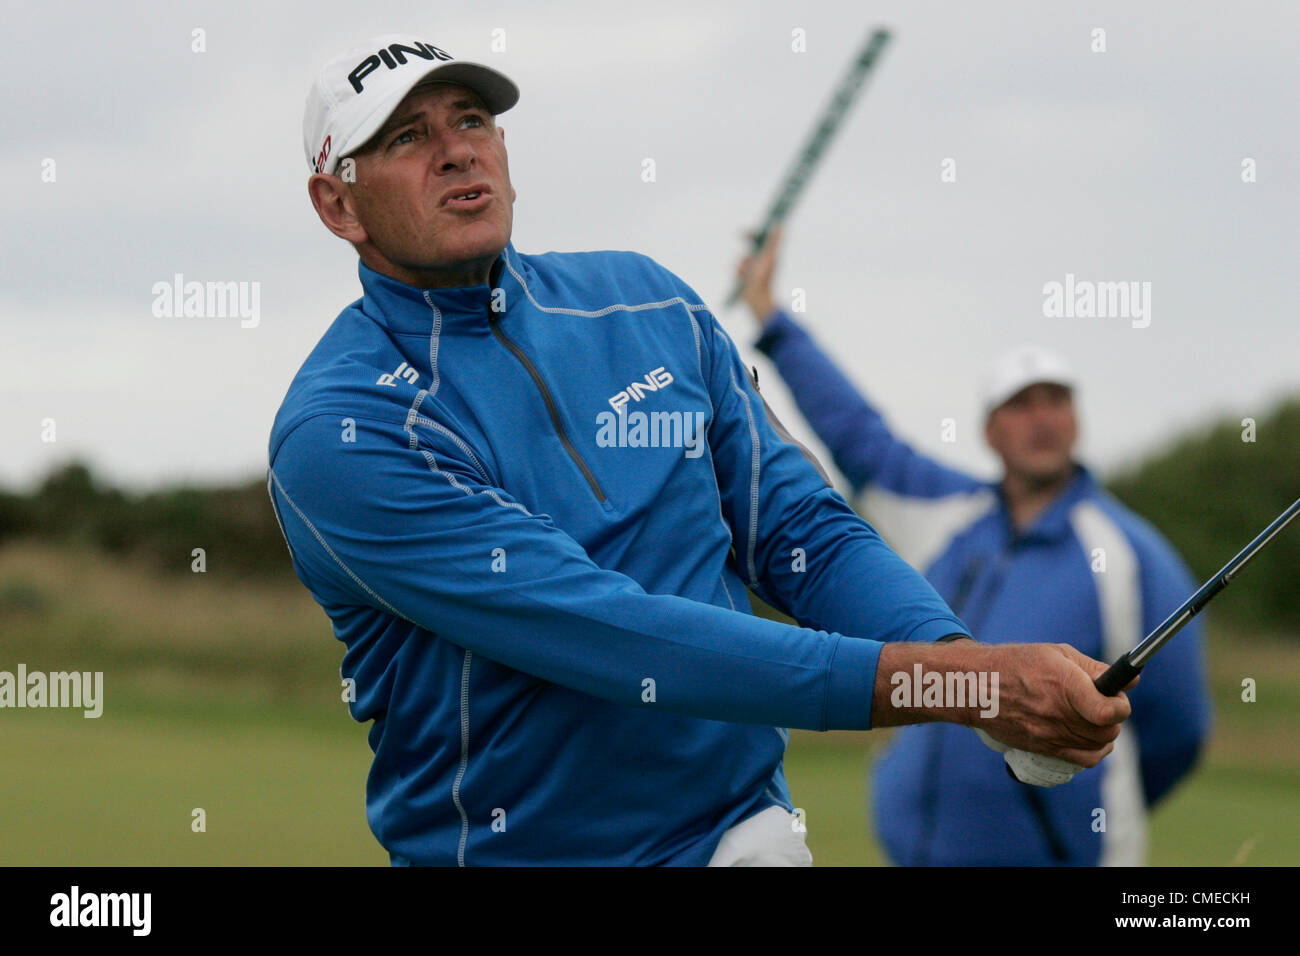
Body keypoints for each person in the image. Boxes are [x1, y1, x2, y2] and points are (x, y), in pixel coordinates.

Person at [267, 33, 1134, 867]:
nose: (455, 152)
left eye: (470, 120)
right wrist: (963, 690)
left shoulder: (648, 304)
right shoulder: (343, 430)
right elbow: (615, 637)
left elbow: (801, 529)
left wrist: (960, 666)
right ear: (336, 204)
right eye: (408, 137)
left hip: (736, 837)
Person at [736, 226, 1211, 865]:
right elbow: (853, 428)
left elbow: (1177, 728)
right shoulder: (938, 508)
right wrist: (769, 313)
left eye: (1056, 401)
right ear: (989, 429)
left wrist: (1085, 811)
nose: (1041, 418)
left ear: (1077, 417)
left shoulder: (1130, 553)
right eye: (1020, 405)